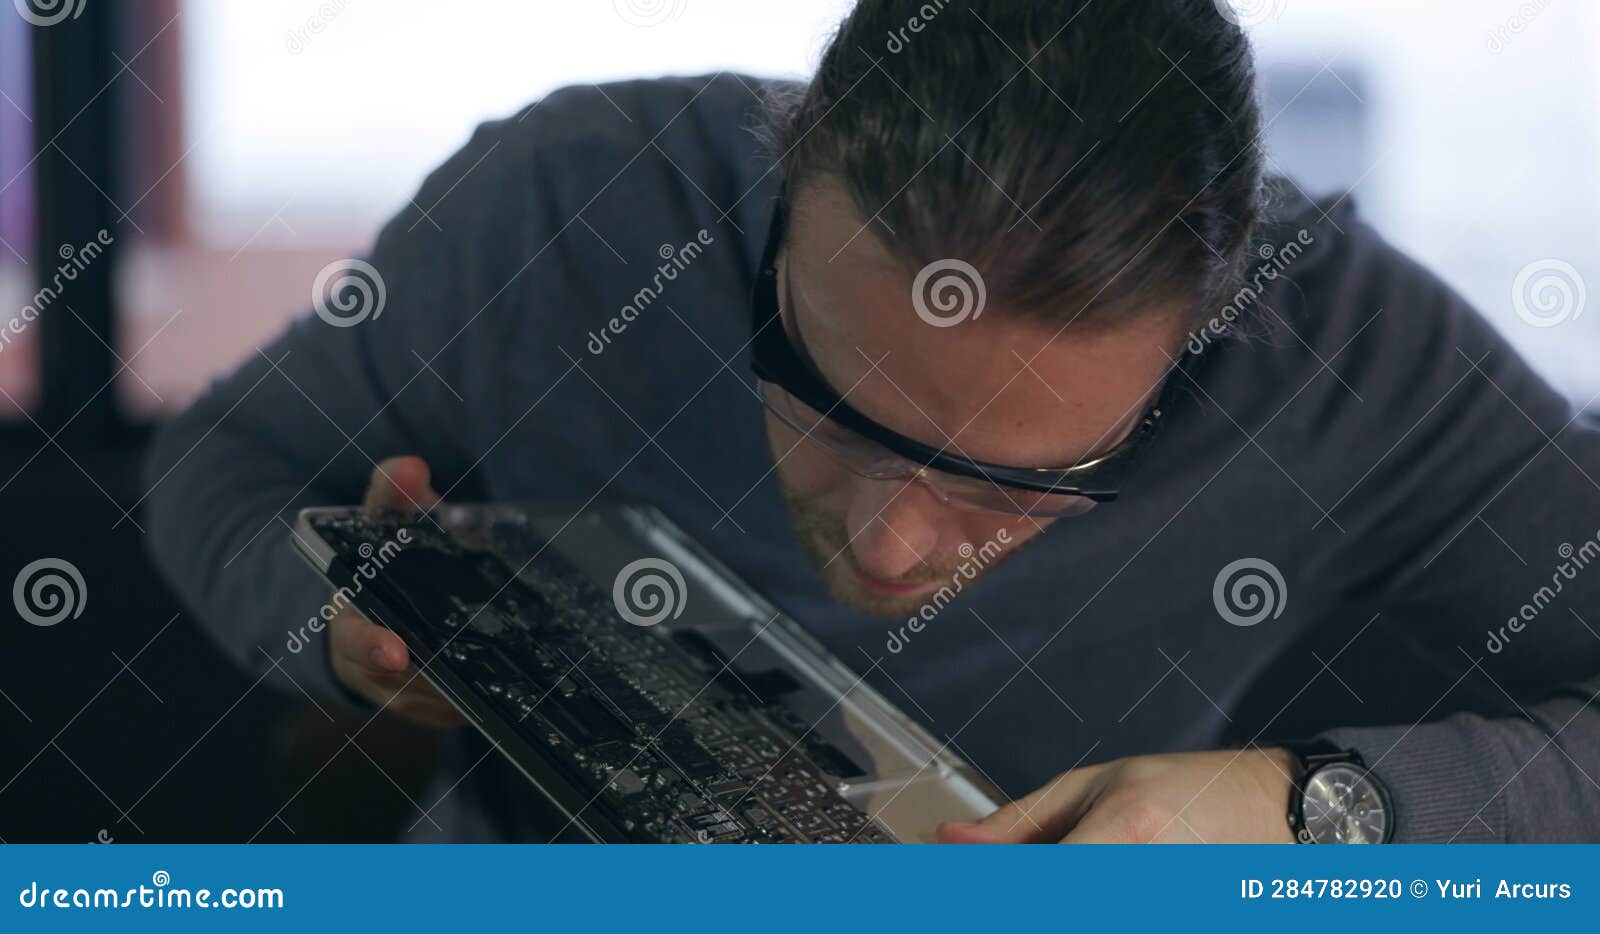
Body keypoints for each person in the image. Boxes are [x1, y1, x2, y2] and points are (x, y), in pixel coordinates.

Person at [145, 0, 1600, 842]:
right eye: (831, 399)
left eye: (1028, 483)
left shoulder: (1344, 348)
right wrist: (331, 629)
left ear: (1216, 326)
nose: (895, 544)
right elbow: (228, 459)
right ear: (788, 182)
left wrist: (1322, 804)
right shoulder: (569, 201)